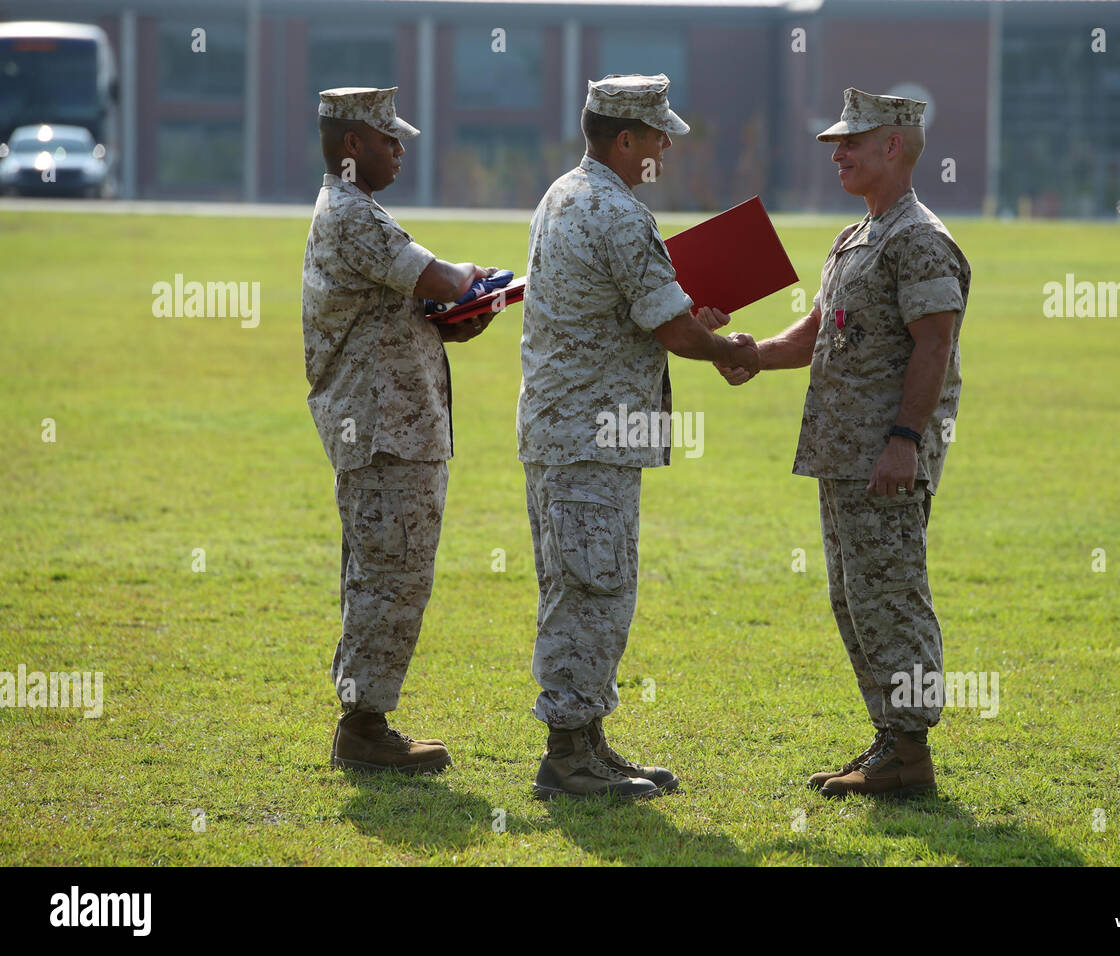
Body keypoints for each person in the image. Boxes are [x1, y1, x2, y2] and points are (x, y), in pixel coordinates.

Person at [716, 89, 971, 798]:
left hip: (882, 457)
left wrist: (903, 441)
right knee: (855, 597)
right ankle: (891, 740)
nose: (838, 151)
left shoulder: (918, 238)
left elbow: (935, 344)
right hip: (842, 454)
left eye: (852, 141)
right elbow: (820, 328)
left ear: (894, 145)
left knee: (891, 595)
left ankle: (911, 751)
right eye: (835, 141)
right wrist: (752, 354)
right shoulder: (859, 236)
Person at [518, 73, 761, 800]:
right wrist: (726, 346)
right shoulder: (617, 212)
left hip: (576, 433)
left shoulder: (566, 192)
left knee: (592, 586)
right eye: (658, 135)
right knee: (589, 590)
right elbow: (671, 327)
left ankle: (588, 741)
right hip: (589, 438)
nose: (665, 147)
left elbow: (646, 312)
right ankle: (566, 756)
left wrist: (689, 322)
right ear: (624, 138)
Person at [301, 86, 495, 774]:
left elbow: (414, 303)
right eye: (389, 140)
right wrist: (479, 280)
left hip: (390, 427)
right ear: (352, 145)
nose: (400, 151)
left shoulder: (358, 212)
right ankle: (364, 729)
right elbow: (437, 276)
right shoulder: (354, 215)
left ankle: (367, 720)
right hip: (383, 432)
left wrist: (460, 310)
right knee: (391, 572)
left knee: (385, 570)